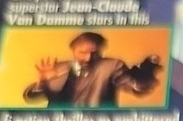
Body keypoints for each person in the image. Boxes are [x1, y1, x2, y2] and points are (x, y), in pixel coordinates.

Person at [23, 32, 162, 107]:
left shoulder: (112, 66)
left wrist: (144, 76)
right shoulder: (58, 68)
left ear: (101, 52)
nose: (88, 58)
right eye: (82, 52)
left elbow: (134, 86)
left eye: (94, 53)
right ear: (73, 51)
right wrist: (42, 83)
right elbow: (32, 98)